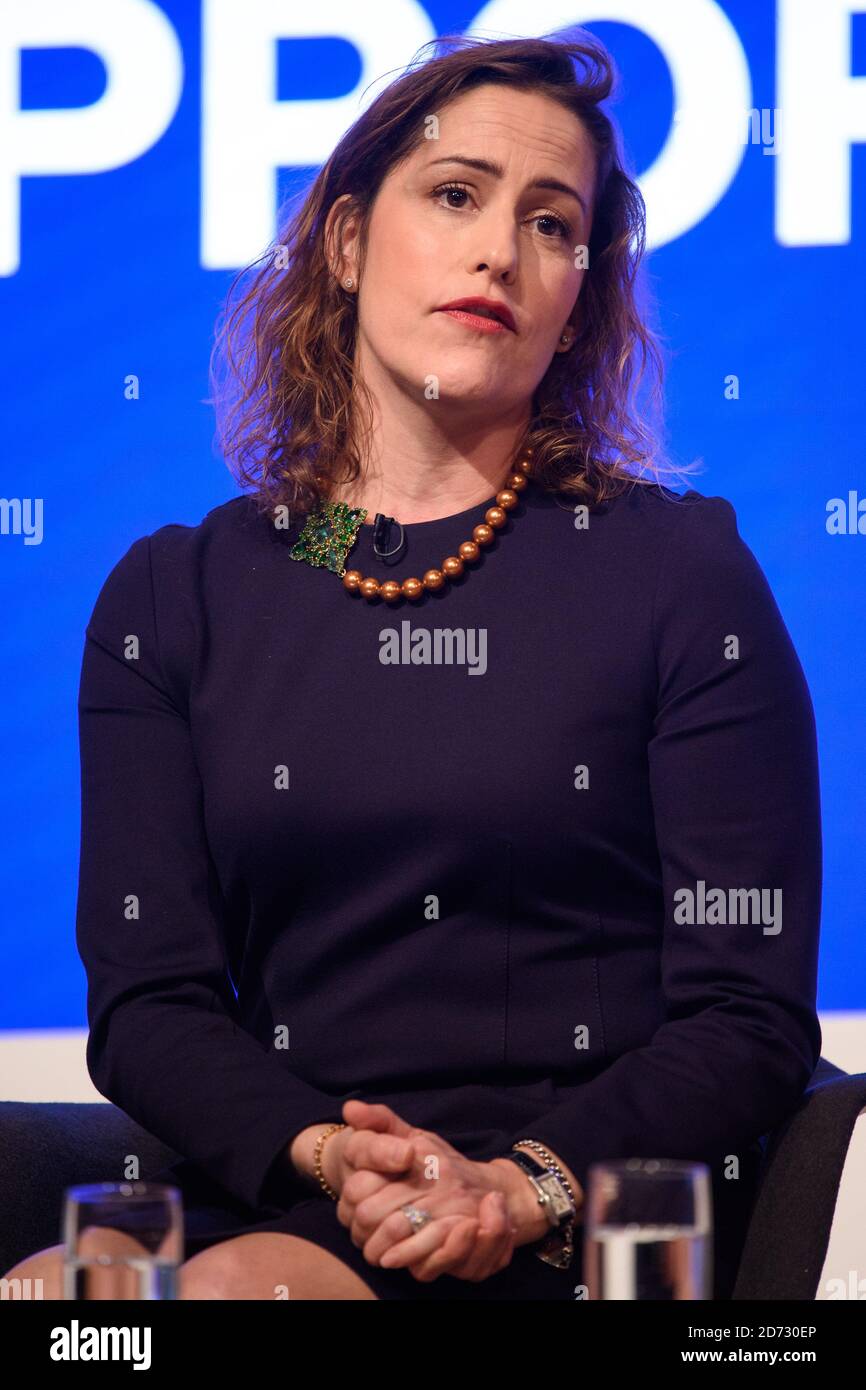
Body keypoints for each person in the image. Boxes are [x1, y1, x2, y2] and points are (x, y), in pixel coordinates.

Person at [5, 30, 821, 1301]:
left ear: (574, 303)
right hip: (293, 1192)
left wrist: (516, 1186)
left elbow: (746, 1014)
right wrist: (329, 1155)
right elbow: (148, 1001)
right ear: (343, 244)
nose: (500, 247)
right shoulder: (182, 595)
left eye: (552, 225)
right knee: (67, 1302)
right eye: (455, 194)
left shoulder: (675, 574)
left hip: (587, 1222)